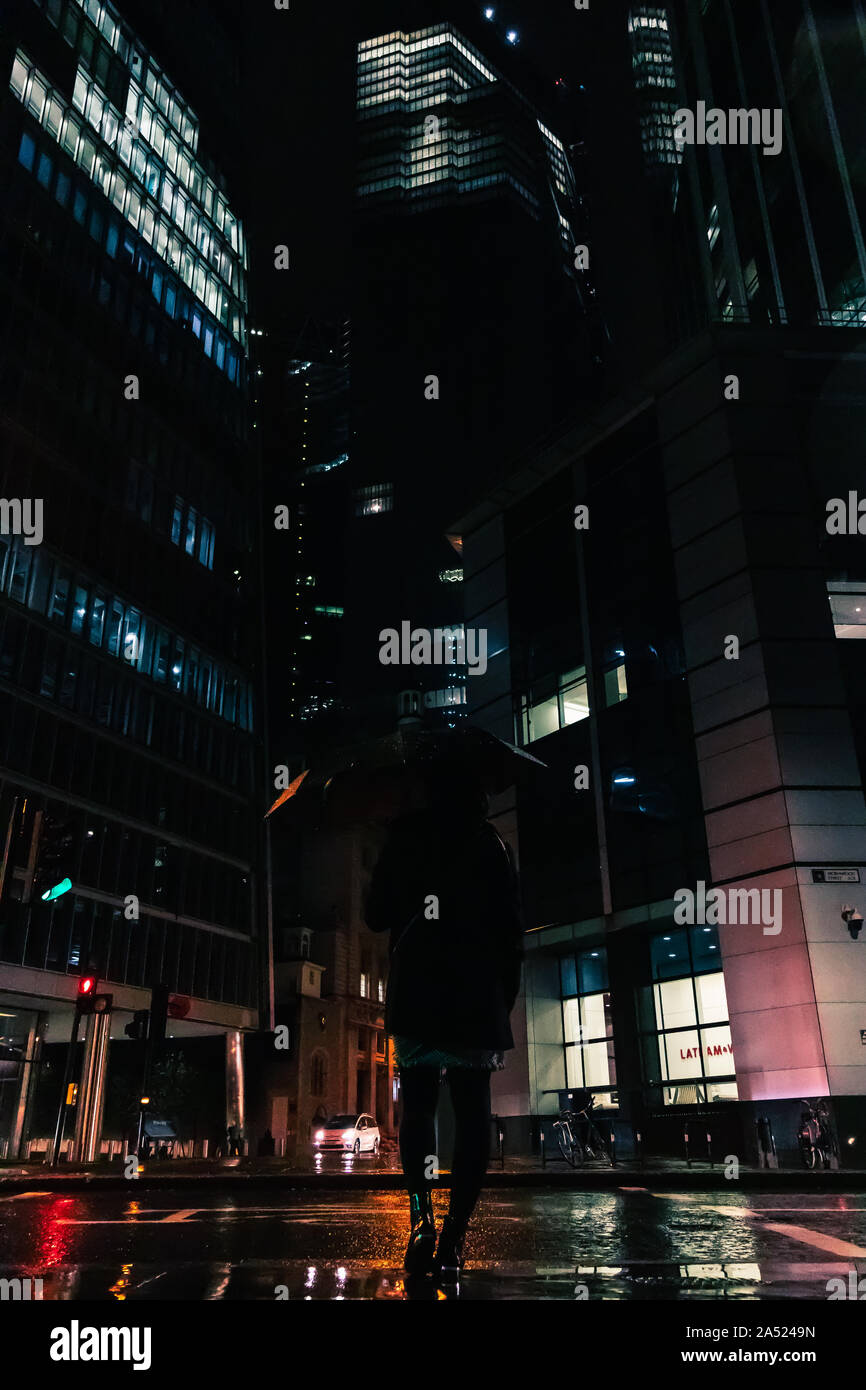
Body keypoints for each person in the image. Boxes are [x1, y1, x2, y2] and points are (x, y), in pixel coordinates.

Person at [364, 756, 523, 1280]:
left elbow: (375, 914)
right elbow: (510, 934)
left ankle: (420, 1221)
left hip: (418, 991)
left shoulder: (406, 838)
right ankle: (454, 1238)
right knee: (473, 1114)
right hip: (475, 994)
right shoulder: (492, 844)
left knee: (418, 1109)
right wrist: (504, 1000)